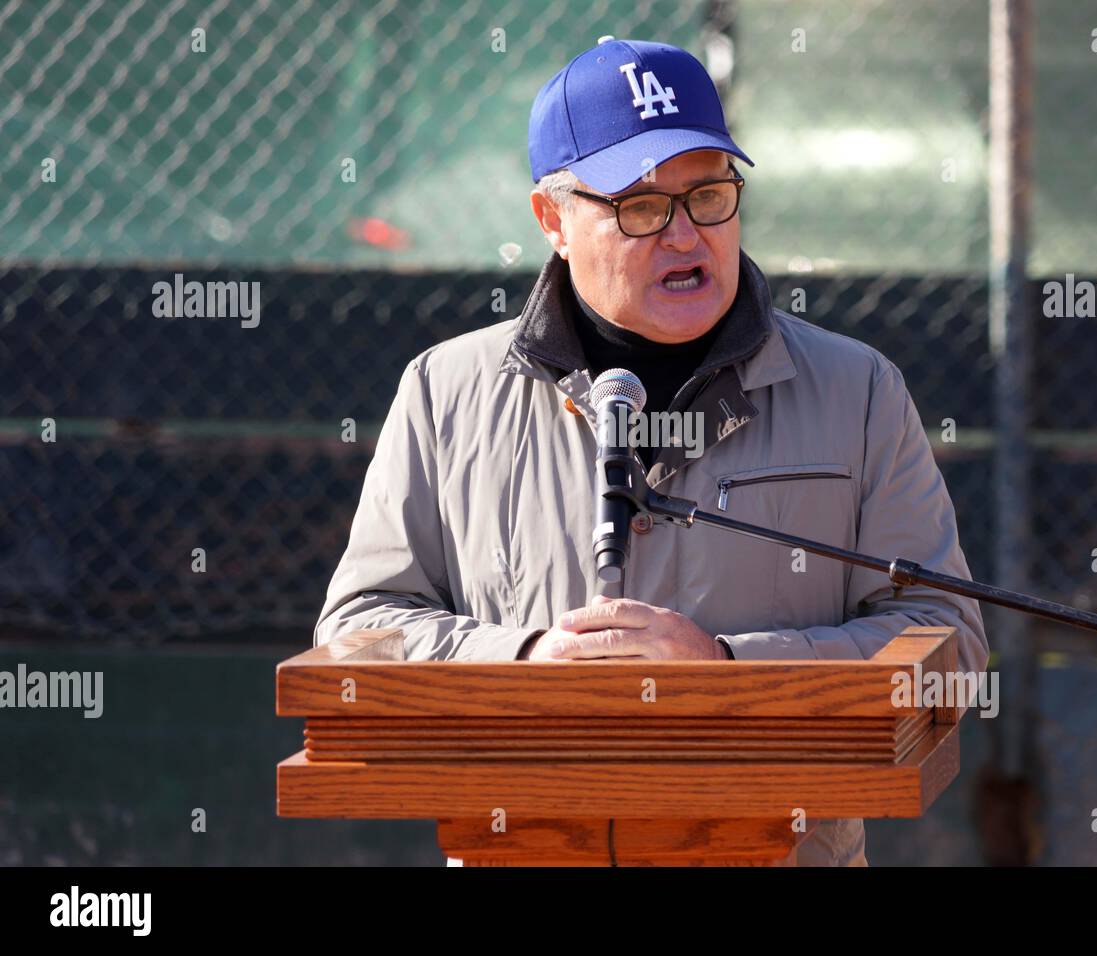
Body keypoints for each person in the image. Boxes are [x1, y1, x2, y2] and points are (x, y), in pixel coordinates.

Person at [315, 37, 988, 866]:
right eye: (640, 205)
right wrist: (525, 662)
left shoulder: (858, 390)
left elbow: (946, 642)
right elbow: (359, 635)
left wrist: (728, 669)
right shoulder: (444, 391)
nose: (685, 235)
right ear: (553, 219)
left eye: (708, 194)